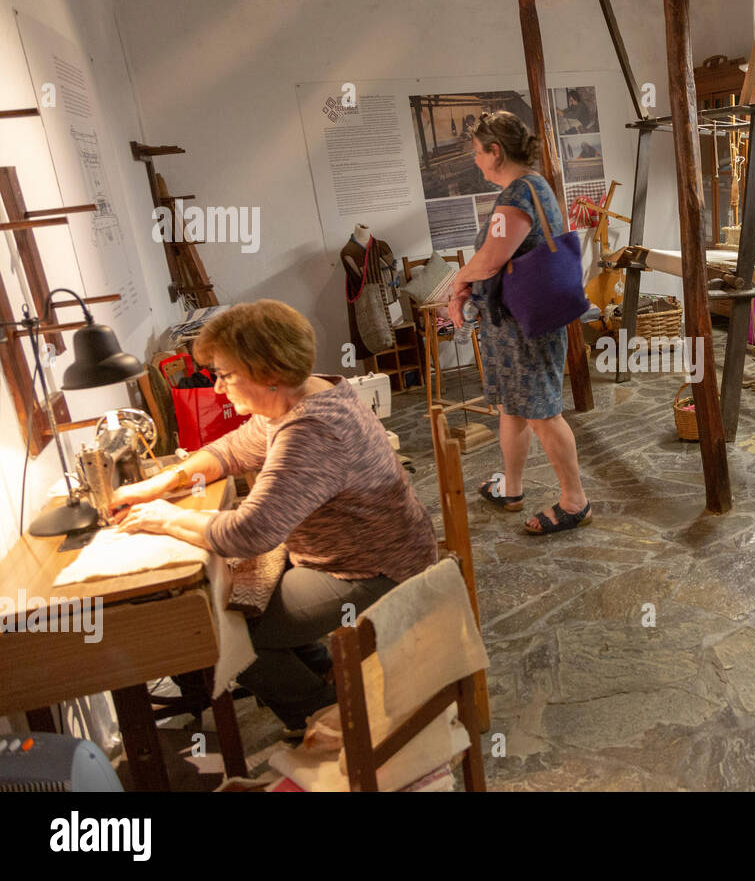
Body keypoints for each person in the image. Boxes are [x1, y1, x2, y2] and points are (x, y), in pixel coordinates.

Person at [110, 299, 435, 734]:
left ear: (268, 374)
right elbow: (230, 450)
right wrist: (160, 482)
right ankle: (323, 673)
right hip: (363, 553)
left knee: (232, 641)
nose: (219, 388)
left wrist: (164, 518)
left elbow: (249, 533)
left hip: (373, 569)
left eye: (225, 375)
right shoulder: (306, 392)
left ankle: (329, 721)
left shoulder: (312, 429)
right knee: (241, 604)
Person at [446, 111, 591, 536]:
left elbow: (491, 259)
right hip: (511, 323)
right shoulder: (529, 186)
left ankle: (574, 500)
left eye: (477, 152)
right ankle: (511, 487)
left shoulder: (518, 195)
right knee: (513, 407)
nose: (475, 160)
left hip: (526, 326)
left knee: (542, 412)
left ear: (496, 152)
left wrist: (458, 281)